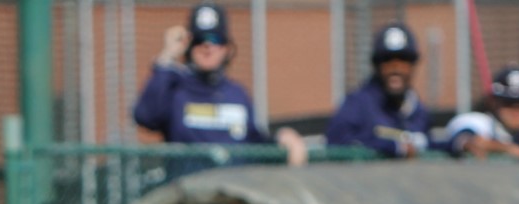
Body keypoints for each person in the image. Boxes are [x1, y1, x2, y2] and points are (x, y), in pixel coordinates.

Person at [131, 4, 306, 166]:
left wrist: (281, 139)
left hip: (232, 193)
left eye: (215, 39)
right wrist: (166, 59)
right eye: (199, 40)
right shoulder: (176, 89)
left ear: (227, 48)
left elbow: (254, 144)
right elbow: (145, 116)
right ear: (189, 46)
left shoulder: (237, 93)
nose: (208, 46)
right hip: (188, 193)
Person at [324, 24, 432, 159]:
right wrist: (391, 146)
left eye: (403, 60)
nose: (396, 69)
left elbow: (429, 144)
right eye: (387, 60)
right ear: (376, 65)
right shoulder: (357, 104)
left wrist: (460, 140)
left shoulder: (417, 109)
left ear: (412, 66)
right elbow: (335, 142)